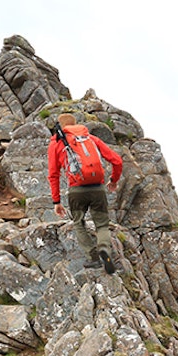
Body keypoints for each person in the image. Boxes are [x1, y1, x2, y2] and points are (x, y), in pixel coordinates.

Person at [48, 113, 123, 273]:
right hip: (97, 188)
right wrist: (114, 180)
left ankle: (93, 258)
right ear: (76, 124)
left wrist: (57, 201)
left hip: (76, 190)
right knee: (102, 224)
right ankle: (104, 248)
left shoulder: (56, 143)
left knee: (79, 223)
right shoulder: (90, 138)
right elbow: (117, 160)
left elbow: (53, 174)